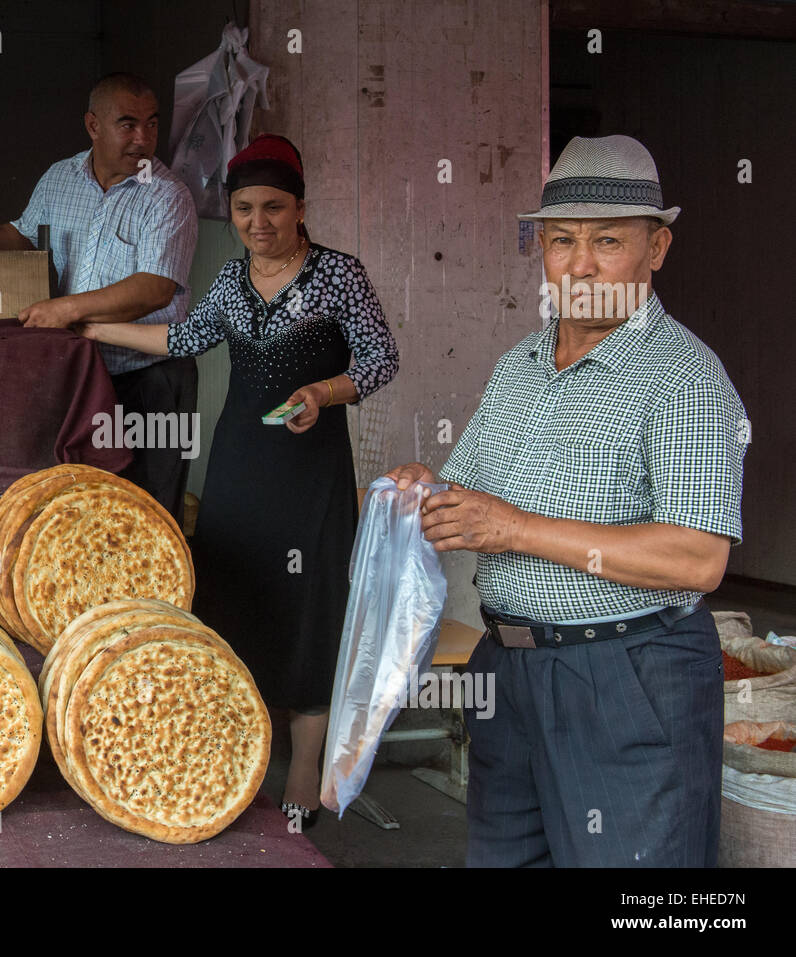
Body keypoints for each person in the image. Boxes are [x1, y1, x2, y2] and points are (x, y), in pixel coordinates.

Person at [387, 134, 747, 867]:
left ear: (658, 248)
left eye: (607, 240)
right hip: (510, 671)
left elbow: (699, 556)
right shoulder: (519, 363)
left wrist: (513, 527)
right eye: (561, 240)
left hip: (627, 674)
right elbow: (469, 497)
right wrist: (422, 490)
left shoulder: (684, 378)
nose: (580, 264)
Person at [81, 134, 399, 826]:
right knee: (234, 602)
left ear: (301, 207)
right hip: (237, 471)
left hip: (309, 475)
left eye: (274, 207)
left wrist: (324, 391)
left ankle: (306, 767)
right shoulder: (230, 279)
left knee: (311, 609)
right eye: (246, 208)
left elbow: (381, 359)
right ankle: (236, 750)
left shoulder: (340, 275)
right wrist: (90, 327)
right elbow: (181, 339)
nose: (259, 222)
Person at [0, 73, 199, 524]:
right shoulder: (61, 178)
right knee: (86, 507)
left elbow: (155, 288)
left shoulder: (168, 195)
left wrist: (66, 309)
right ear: (93, 126)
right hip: (86, 373)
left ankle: (156, 597)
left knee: (150, 510)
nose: (143, 138)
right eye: (128, 124)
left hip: (153, 377)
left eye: (152, 124)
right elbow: (22, 237)